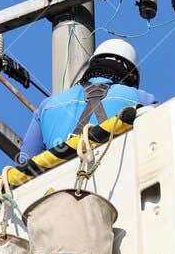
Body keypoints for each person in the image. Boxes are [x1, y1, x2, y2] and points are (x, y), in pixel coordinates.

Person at [17, 38, 157, 162]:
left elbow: (26, 164)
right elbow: (159, 143)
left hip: (60, 182)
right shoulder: (141, 98)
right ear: (131, 76)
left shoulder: (47, 106)